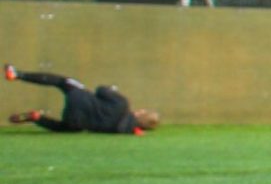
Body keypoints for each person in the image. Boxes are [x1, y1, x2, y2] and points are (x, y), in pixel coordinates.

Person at [5, 64, 159, 134]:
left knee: (62, 81)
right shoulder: (121, 131)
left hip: (78, 98)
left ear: (139, 114)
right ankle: (37, 118)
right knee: (68, 128)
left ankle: (18, 75)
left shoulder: (122, 104)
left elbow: (101, 90)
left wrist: (111, 90)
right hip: (77, 121)